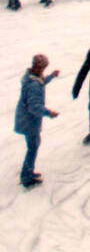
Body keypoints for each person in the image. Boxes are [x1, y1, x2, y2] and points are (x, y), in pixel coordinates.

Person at [14, 53, 59, 188]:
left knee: (33, 146)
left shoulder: (32, 77)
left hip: (25, 118)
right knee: (33, 147)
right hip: (29, 121)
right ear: (40, 67)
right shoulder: (34, 84)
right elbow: (34, 107)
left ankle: (28, 172)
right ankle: (26, 177)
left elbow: (42, 81)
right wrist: (48, 112)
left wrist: (51, 76)